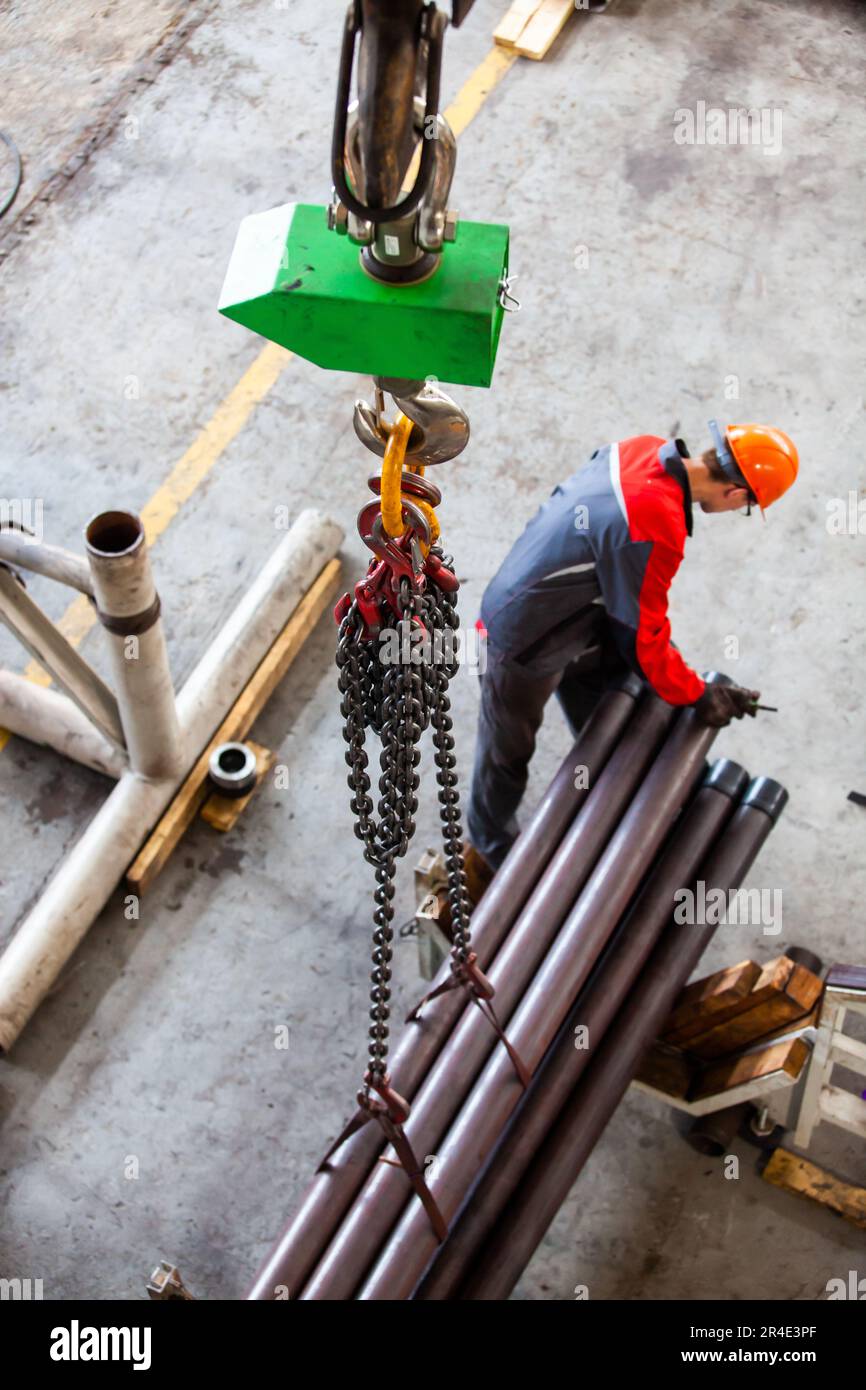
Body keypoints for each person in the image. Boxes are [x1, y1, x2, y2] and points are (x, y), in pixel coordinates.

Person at [464, 420, 799, 887]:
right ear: (737, 494)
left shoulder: (641, 449)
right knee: (507, 753)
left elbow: (639, 615)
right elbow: (644, 635)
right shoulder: (656, 524)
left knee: (619, 685)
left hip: (575, 614)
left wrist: (694, 685)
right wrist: (697, 692)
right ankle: (491, 842)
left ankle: (612, 780)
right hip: (519, 638)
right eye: (746, 506)